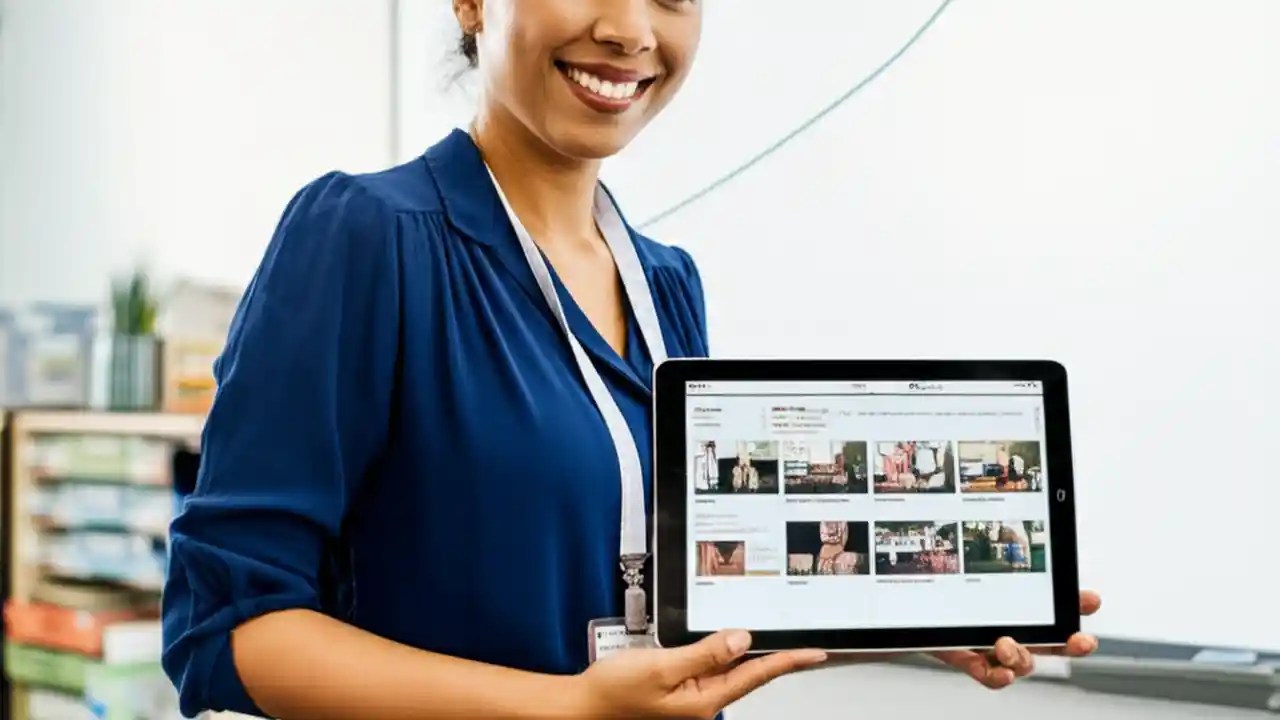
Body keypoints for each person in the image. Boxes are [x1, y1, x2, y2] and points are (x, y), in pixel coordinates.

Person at [160, 2, 1103, 719]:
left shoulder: (667, 285)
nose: (628, 31)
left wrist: (917, 613)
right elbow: (228, 632)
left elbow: (693, 600)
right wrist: (570, 706)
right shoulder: (367, 237)